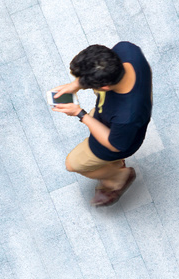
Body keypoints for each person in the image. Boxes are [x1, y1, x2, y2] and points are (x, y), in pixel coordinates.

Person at [51, 42, 152, 206]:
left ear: (104, 86)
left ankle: (118, 178)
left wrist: (80, 114)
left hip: (117, 141)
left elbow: (114, 144)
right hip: (115, 122)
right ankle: (116, 166)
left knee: (72, 164)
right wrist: (75, 85)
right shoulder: (126, 50)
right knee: (95, 116)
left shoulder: (127, 115)